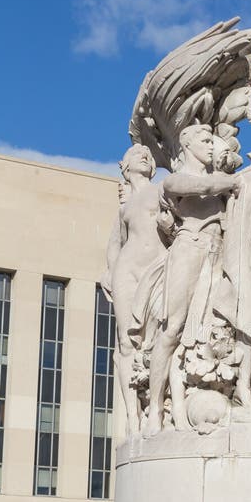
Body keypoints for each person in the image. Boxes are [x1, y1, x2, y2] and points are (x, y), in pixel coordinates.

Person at [145, 123, 240, 435]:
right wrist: (232, 181)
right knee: (171, 329)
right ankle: (157, 408)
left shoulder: (221, 181)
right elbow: (201, 188)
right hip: (190, 249)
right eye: (204, 140)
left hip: (219, 253)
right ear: (186, 144)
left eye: (213, 141)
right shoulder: (175, 179)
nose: (211, 146)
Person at [102, 145, 169, 435]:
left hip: (157, 268)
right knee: (126, 342)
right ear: (125, 166)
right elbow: (115, 242)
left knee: (162, 336)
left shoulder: (161, 189)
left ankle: (158, 405)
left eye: (147, 153)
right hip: (127, 272)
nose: (144, 154)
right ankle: (132, 417)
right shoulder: (125, 206)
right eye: (136, 152)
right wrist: (110, 270)